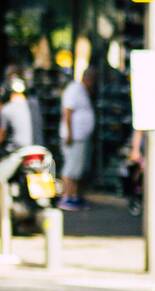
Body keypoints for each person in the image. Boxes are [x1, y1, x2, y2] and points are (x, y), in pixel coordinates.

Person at [58, 67, 96, 211]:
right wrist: (69, 133)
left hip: (80, 136)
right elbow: (67, 111)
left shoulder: (82, 91)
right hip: (74, 137)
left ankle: (74, 196)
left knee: (78, 168)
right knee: (71, 168)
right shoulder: (74, 90)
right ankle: (67, 197)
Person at [0, 77, 34, 150]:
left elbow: (1, 135)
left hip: (16, 149)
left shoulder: (7, 109)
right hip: (33, 146)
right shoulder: (33, 106)